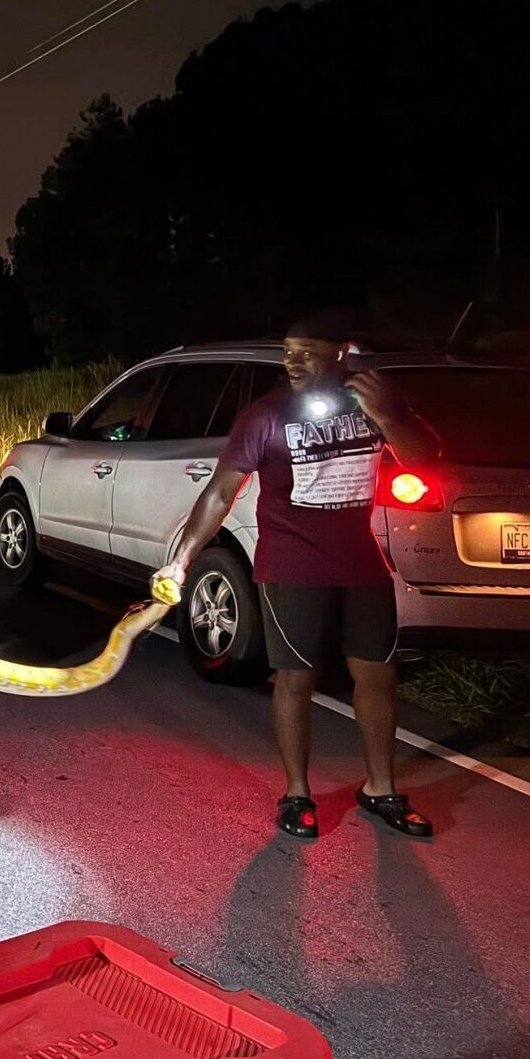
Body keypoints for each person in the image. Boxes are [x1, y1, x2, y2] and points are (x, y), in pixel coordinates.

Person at [154, 313, 441, 841]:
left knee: (378, 676)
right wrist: (182, 558)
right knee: (296, 678)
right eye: (288, 350)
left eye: (307, 351)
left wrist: (389, 414)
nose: (292, 361)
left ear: (340, 352)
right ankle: (297, 794)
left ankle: (381, 789)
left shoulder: (374, 402)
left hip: (360, 562)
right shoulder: (266, 415)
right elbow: (222, 491)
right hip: (291, 565)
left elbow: (428, 454)